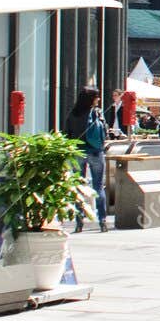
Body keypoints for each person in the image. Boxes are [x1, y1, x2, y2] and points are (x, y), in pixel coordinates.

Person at [63, 86, 109, 233]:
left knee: (79, 187)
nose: (99, 99)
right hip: (95, 152)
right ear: (91, 99)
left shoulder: (73, 113)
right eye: (97, 96)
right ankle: (102, 221)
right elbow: (104, 132)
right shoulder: (97, 113)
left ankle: (79, 221)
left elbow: (67, 134)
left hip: (78, 152)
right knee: (98, 187)